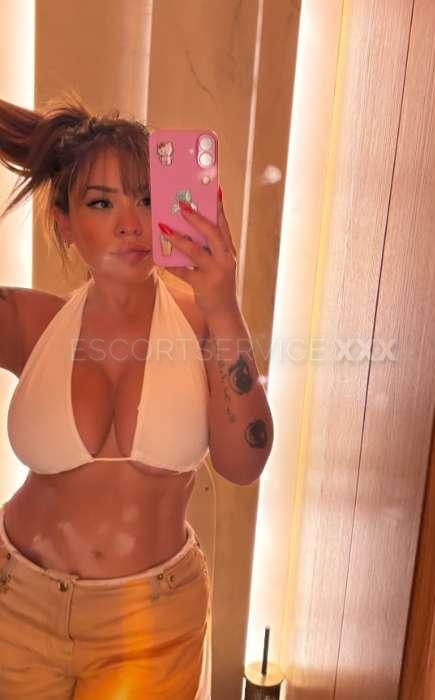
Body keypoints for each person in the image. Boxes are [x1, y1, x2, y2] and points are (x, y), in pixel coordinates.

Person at [0, 91, 273, 699]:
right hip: (15, 601)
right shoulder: (28, 322)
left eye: (148, 199)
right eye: (102, 202)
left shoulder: (205, 326)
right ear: (64, 224)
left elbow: (244, 462)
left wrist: (221, 302)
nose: (130, 223)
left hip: (151, 626)